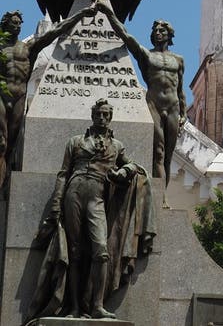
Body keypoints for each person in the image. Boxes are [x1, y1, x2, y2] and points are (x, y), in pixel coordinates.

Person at [37, 98, 153, 320]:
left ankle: (97, 305)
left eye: (106, 115)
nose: (102, 118)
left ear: (110, 118)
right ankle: (73, 307)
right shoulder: (75, 141)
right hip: (74, 192)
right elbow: (63, 174)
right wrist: (55, 205)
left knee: (101, 251)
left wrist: (124, 171)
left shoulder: (117, 146)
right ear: (92, 115)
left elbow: (132, 164)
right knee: (74, 252)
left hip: (97, 196)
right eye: (98, 114)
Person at [0, 6, 93, 186]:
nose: (18, 26)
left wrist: (79, 15)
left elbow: (55, 32)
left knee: (11, 145)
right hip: (2, 97)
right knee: (1, 143)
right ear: (5, 24)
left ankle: (5, 182)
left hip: (19, 97)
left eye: (20, 23)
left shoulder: (27, 48)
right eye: (14, 23)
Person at [95, 3, 186, 185]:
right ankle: (159, 195)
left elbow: (180, 89)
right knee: (158, 153)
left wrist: (184, 113)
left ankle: (162, 196)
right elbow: (126, 37)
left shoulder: (178, 59)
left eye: (162, 30)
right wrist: (108, 13)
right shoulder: (146, 54)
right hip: (154, 104)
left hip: (174, 106)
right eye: (156, 31)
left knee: (168, 155)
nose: (158, 33)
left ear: (169, 34)